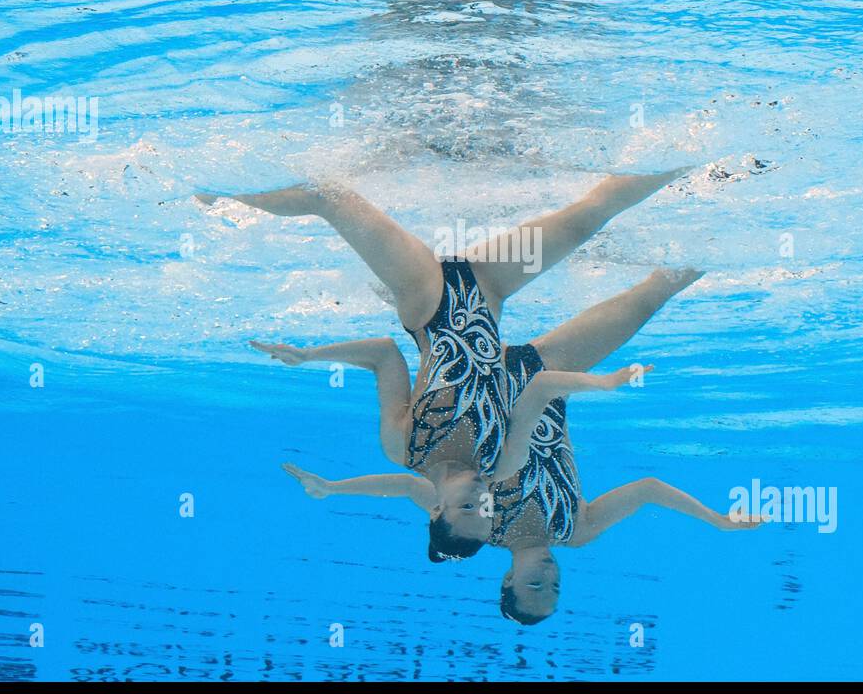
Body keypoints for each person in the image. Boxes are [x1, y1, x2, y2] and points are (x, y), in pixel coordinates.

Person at [196, 171, 689, 560]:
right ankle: (709, 166)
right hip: (489, 290)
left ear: (436, 509)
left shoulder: (403, 447)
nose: (483, 496)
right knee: (588, 217)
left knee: (330, 199)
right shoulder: (503, 462)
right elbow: (538, 389)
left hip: (429, 299)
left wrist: (309, 356)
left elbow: (384, 354)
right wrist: (601, 384)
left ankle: (221, 193)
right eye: (487, 508)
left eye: (468, 506)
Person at [279, 268, 763, 623]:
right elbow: (649, 489)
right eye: (555, 585)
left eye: (536, 584)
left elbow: (408, 486)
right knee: (652, 295)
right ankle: (725, 220)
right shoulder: (576, 529)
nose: (549, 574)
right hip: (542, 370)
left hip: (487, 382)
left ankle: (376, 285)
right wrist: (716, 521)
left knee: (473, 278)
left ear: (507, 580)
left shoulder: (478, 520)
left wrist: (335, 487)